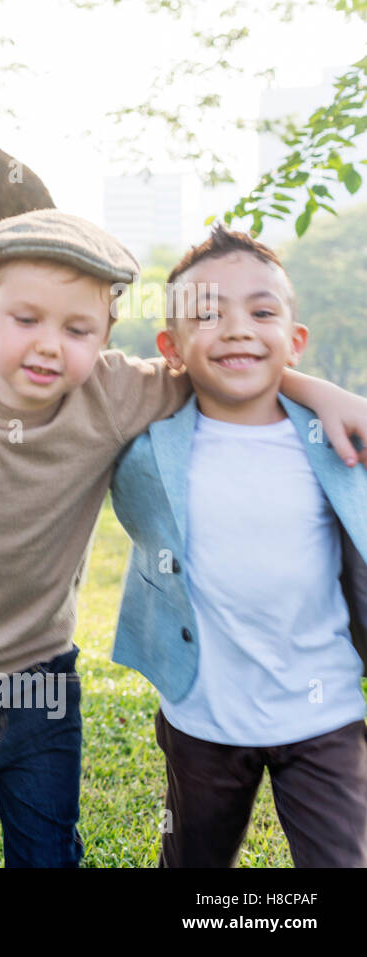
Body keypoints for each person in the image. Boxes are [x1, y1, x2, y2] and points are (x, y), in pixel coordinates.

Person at [0, 208, 367, 867]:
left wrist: (321, 390)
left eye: (76, 329)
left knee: (48, 856)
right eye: (24, 319)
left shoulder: (112, 391)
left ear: (104, 340)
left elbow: (225, 365)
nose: (46, 345)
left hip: (40, 686)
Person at [109, 226, 367, 867]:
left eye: (261, 311)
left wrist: (315, 389)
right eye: (207, 314)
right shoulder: (145, 444)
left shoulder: (336, 442)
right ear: (170, 346)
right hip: (202, 716)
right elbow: (70, 383)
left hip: (323, 710)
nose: (236, 329)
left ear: (294, 340)